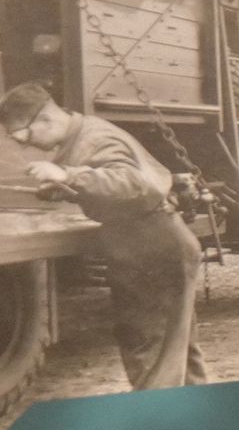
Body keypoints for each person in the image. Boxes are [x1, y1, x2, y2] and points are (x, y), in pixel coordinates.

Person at [0, 85, 205, 391]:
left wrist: (68, 176)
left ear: (45, 119)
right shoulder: (85, 134)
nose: (26, 144)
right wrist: (66, 189)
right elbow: (114, 187)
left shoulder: (94, 139)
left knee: (149, 349)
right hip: (151, 243)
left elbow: (135, 184)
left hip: (151, 246)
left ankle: (159, 420)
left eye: (24, 135)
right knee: (178, 351)